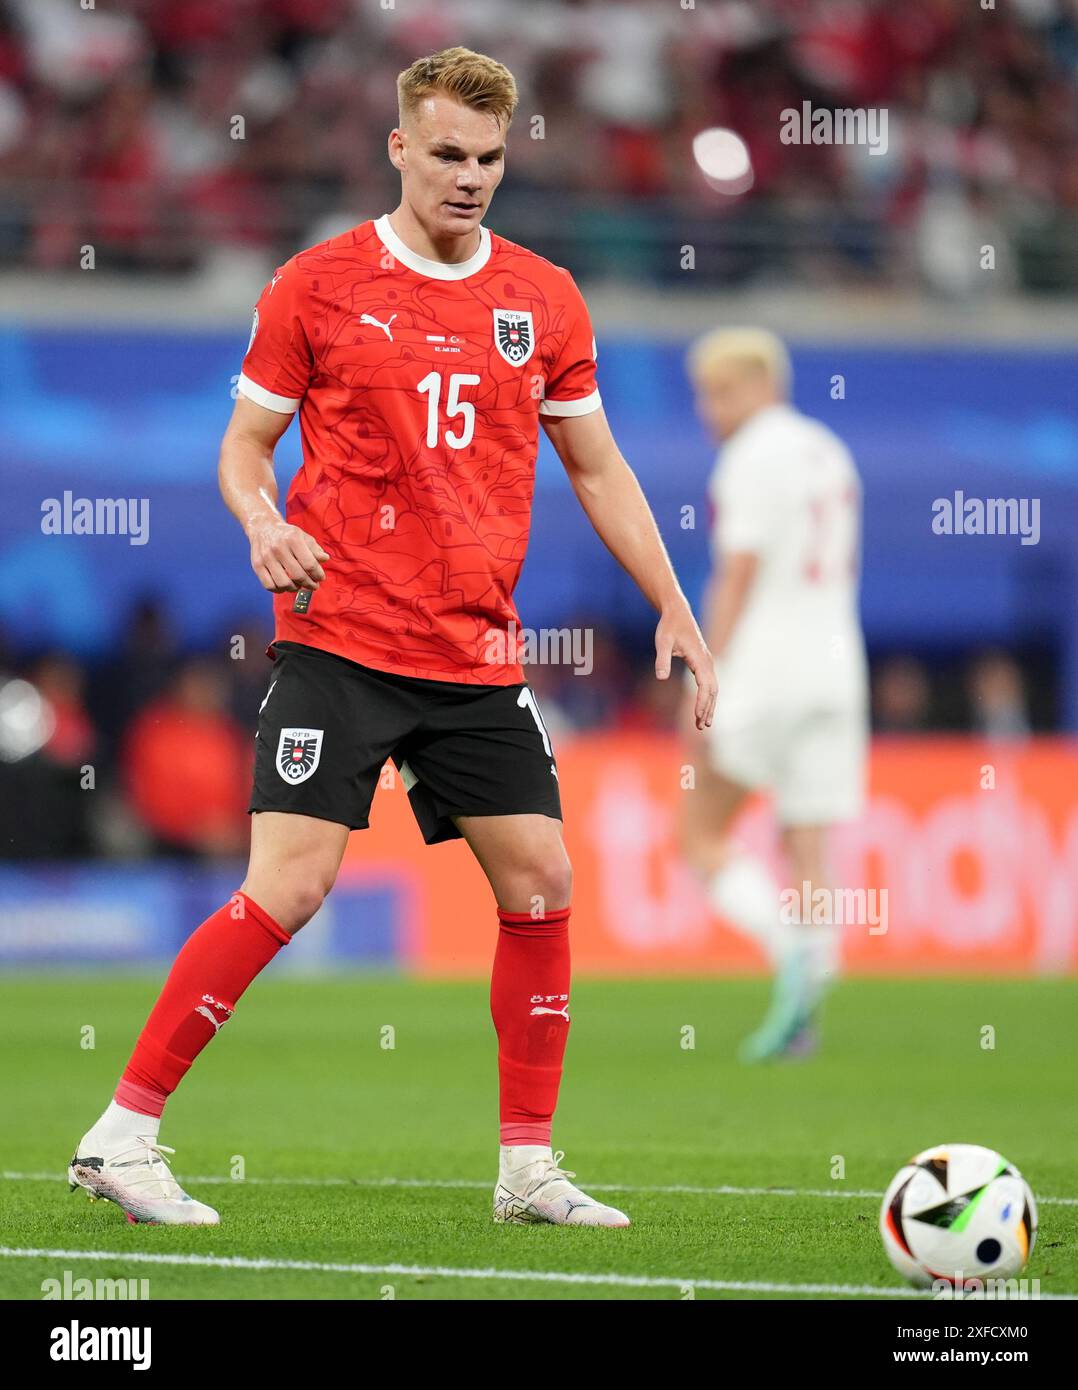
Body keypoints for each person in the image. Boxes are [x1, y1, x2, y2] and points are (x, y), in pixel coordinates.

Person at [69, 46, 715, 1228]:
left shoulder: (545, 298)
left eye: (489, 159)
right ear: (399, 148)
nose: (469, 178)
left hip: (474, 652)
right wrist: (262, 520)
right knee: (291, 884)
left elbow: (600, 466)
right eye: (448, 155)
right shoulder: (315, 285)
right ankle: (122, 1136)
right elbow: (243, 448)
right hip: (342, 636)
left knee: (542, 882)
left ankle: (528, 1170)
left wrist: (674, 599)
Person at [678, 328, 868, 1061]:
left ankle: (787, 949)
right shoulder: (829, 450)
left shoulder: (751, 456)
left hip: (765, 669)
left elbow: (739, 573)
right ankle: (809, 1007)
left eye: (718, 392)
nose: (708, 410)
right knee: (807, 838)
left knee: (699, 833)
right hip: (837, 669)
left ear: (760, 386)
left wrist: (705, 666)